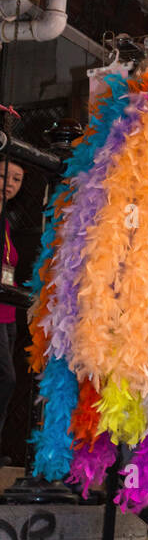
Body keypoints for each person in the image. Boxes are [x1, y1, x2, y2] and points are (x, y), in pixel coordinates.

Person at [0, 159, 25, 468]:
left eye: (17, 179)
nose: (9, 183)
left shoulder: (6, 219)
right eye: (4, 175)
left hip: (8, 310)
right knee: (5, 377)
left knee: (7, 379)